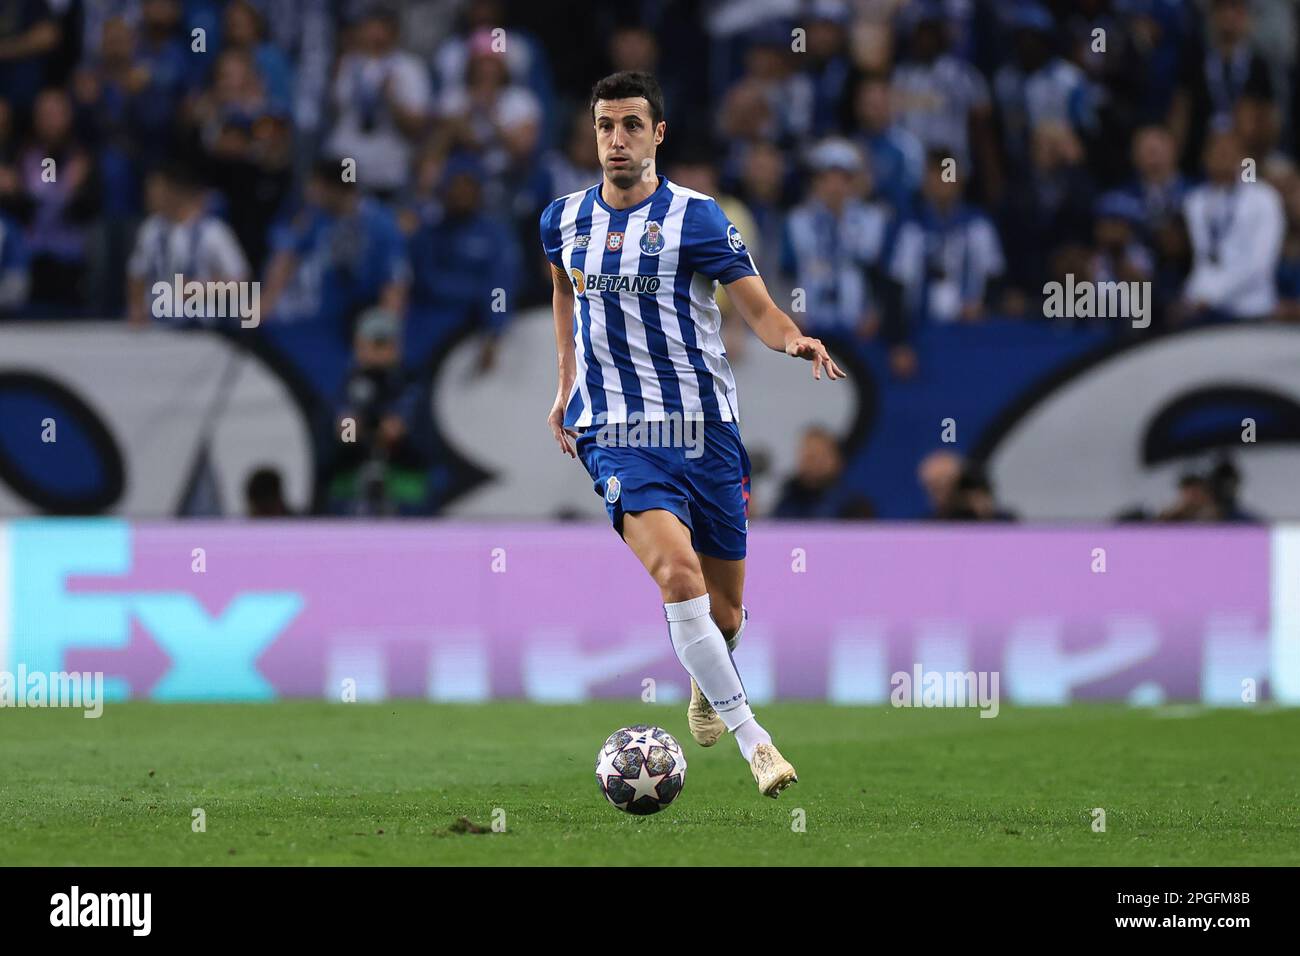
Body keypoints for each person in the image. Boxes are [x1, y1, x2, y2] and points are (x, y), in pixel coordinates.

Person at [539, 71, 845, 799]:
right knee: (677, 578)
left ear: (659, 135)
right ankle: (757, 743)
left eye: (631, 126)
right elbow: (562, 292)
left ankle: (710, 678)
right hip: (616, 429)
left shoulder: (700, 219)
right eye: (605, 126)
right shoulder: (561, 219)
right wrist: (564, 386)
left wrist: (793, 339)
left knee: (726, 611)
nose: (616, 140)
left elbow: (760, 310)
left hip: (705, 432)